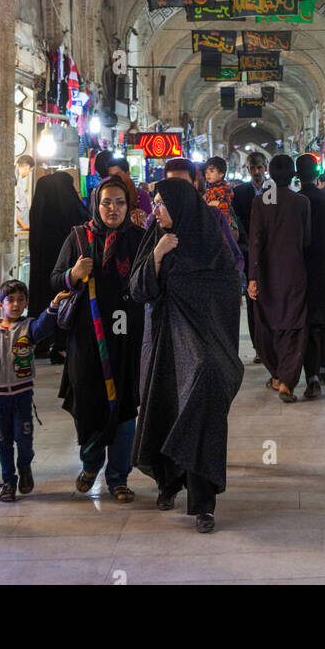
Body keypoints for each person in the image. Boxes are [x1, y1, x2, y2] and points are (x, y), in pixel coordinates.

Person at [130, 177, 244, 533]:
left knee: (202, 405)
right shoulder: (154, 237)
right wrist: (158, 255)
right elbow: (137, 289)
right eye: (155, 202)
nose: (156, 209)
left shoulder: (209, 239)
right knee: (164, 407)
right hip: (164, 341)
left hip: (202, 341)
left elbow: (227, 288)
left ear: (180, 205)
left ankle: (204, 502)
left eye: (162, 203)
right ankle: (167, 483)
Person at [51, 177, 145, 501]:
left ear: (128, 205)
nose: (113, 209)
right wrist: (73, 275)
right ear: (96, 203)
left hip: (124, 333)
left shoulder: (137, 239)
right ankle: (91, 464)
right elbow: (55, 278)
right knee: (89, 403)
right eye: (107, 202)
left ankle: (119, 477)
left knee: (123, 406)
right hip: (86, 337)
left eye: (120, 202)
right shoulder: (79, 237)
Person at [0, 278, 69, 502]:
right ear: (0, 303)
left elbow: (44, 326)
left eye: (20, 300)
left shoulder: (28, 328)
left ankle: (24, 467)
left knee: (24, 440)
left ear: (26, 303)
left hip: (22, 397)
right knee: (3, 441)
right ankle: (9, 482)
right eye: (10, 300)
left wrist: (54, 305)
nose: (15, 304)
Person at [247, 153, 311, 402]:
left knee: (267, 323)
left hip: (266, 273)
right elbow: (307, 241)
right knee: (294, 325)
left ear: (270, 175)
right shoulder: (302, 202)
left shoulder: (260, 203)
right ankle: (287, 381)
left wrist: (252, 277)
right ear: (293, 175)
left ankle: (276, 374)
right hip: (295, 271)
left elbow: (255, 241)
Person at [295, 154, 325, 398]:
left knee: (307, 320)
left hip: (301, 267)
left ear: (297, 175)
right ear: (317, 175)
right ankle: (322, 364)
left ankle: (311, 372)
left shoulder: (295, 201)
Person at [27, 170, 87, 365]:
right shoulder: (68, 207)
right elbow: (83, 222)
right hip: (64, 270)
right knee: (63, 301)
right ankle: (59, 347)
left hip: (41, 265)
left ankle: (41, 343)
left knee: (43, 300)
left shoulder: (39, 209)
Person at [164, 157, 243, 272]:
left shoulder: (213, 214)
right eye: (172, 183)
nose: (177, 189)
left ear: (194, 184)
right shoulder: (157, 219)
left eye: (183, 183)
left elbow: (236, 257)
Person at [233, 151, 269, 357]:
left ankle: (269, 342)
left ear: (265, 168)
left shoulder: (272, 190)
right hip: (248, 253)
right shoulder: (240, 194)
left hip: (270, 253)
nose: (256, 172)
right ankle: (258, 346)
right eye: (252, 168)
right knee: (252, 298)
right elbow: (237, 222)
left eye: (259, 168)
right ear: (247, 170)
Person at [203, 156, 239, 240]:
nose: (208, 174)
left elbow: (224, 205)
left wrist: (211, 204)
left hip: (223, 223)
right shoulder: (211, 188)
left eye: (211, 171)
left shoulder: (223, 188)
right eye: (206, 172)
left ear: (221, 173)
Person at [14, 154, 34, 232]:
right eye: (30, 171)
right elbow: (11, 206)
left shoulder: (18, 179)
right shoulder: (14, 179)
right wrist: (23, 225)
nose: (28, 174)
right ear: (26, 167)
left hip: (22, 227)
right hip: (19, 228)